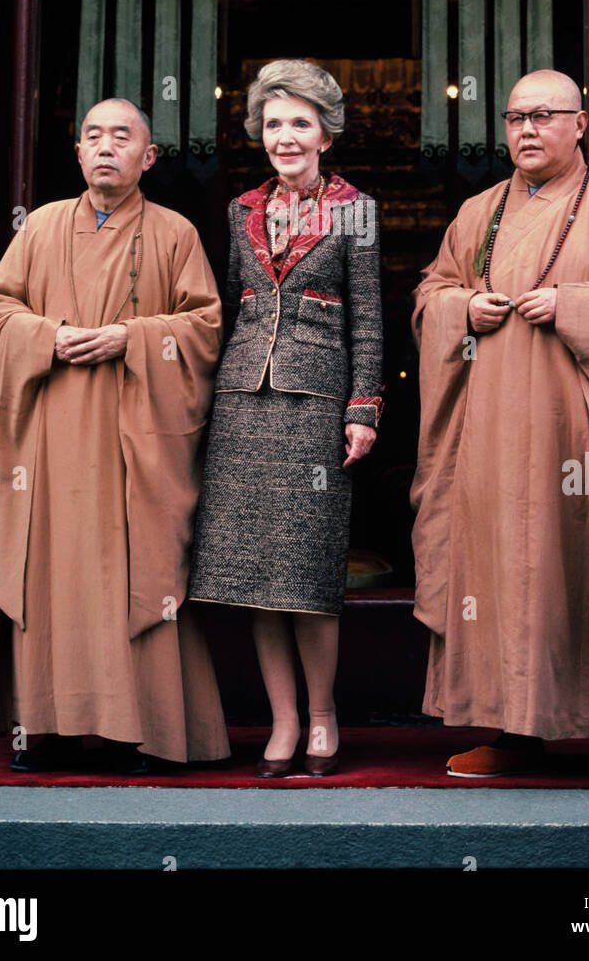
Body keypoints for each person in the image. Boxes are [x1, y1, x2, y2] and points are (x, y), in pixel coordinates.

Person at [410, 69, 589, 794]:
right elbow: (431, 293)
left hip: (588, 435)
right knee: (502, 577)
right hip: (495, 436)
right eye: (514, 118)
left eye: (543, 115)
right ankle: (514, 732)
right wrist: (463, 310)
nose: (527, 130)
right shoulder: (479, 212)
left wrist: (573, 303)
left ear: (582, 123)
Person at [0, 99, 229, 772]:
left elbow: (205, 329)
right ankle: (46, 727)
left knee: (135, 570)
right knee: (50, 570)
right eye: (92, 136)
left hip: (134, 442)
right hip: (50, 440)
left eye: (122, 136)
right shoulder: (40, 228)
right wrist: (49, 338)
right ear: (78, 153)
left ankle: (135, 730)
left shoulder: (175, 233)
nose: (105, 147)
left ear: (148, 157)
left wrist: (134, 337)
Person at [188, 59, 383, 777]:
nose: (285, 136)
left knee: (307, 572)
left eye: (300, 122)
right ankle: (283, 721)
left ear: (326, 133)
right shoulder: (240, 210)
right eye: (273, 124)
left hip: (314, 408)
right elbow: (228, 306)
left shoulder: (355, 209)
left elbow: (368, 318)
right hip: (241, 402)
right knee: (253, 577)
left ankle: (324, 718)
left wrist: (363, 409)